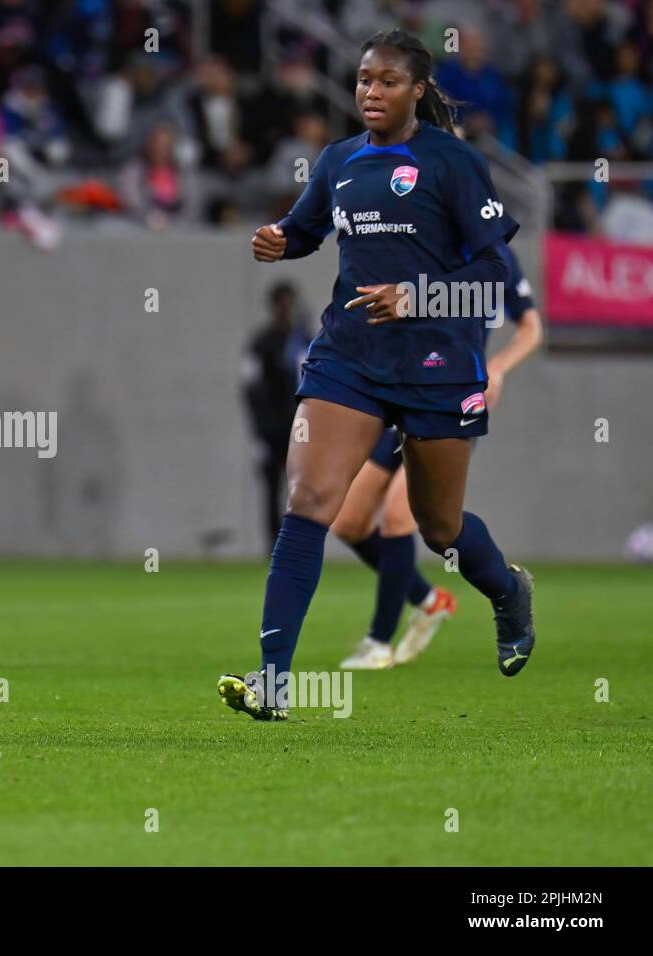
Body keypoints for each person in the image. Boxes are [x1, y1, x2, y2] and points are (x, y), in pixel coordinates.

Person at [218, 29, 536, 721]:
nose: (370, 91)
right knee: (308, 501)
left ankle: (508, 592)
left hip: (438, 364)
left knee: (439, 528)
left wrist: (417, 294)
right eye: (363, 79)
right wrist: (279, 239)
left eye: (388, 81)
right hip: (350, 359)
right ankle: (273, 679)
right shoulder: (338, 161)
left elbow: (489, 275)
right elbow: (306, 230)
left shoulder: (452, 162)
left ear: (417, 89)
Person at [335, 244, 544, 670]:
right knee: (349, 521)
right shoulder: (421, 237)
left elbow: (532, 327)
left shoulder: (496, 253)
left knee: (400, 516)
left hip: (451, 397)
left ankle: (379, 642)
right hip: (401, 395)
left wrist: (498, 367)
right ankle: (429, 601)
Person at [241, 281, 311, 553]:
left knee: (303, 489)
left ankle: (299, 544)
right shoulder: (261, 343)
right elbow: (250, 389)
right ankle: (273, 544)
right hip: (272, 429)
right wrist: (257, 434)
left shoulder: (304, 339)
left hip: (301, 427)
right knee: (272, 488)